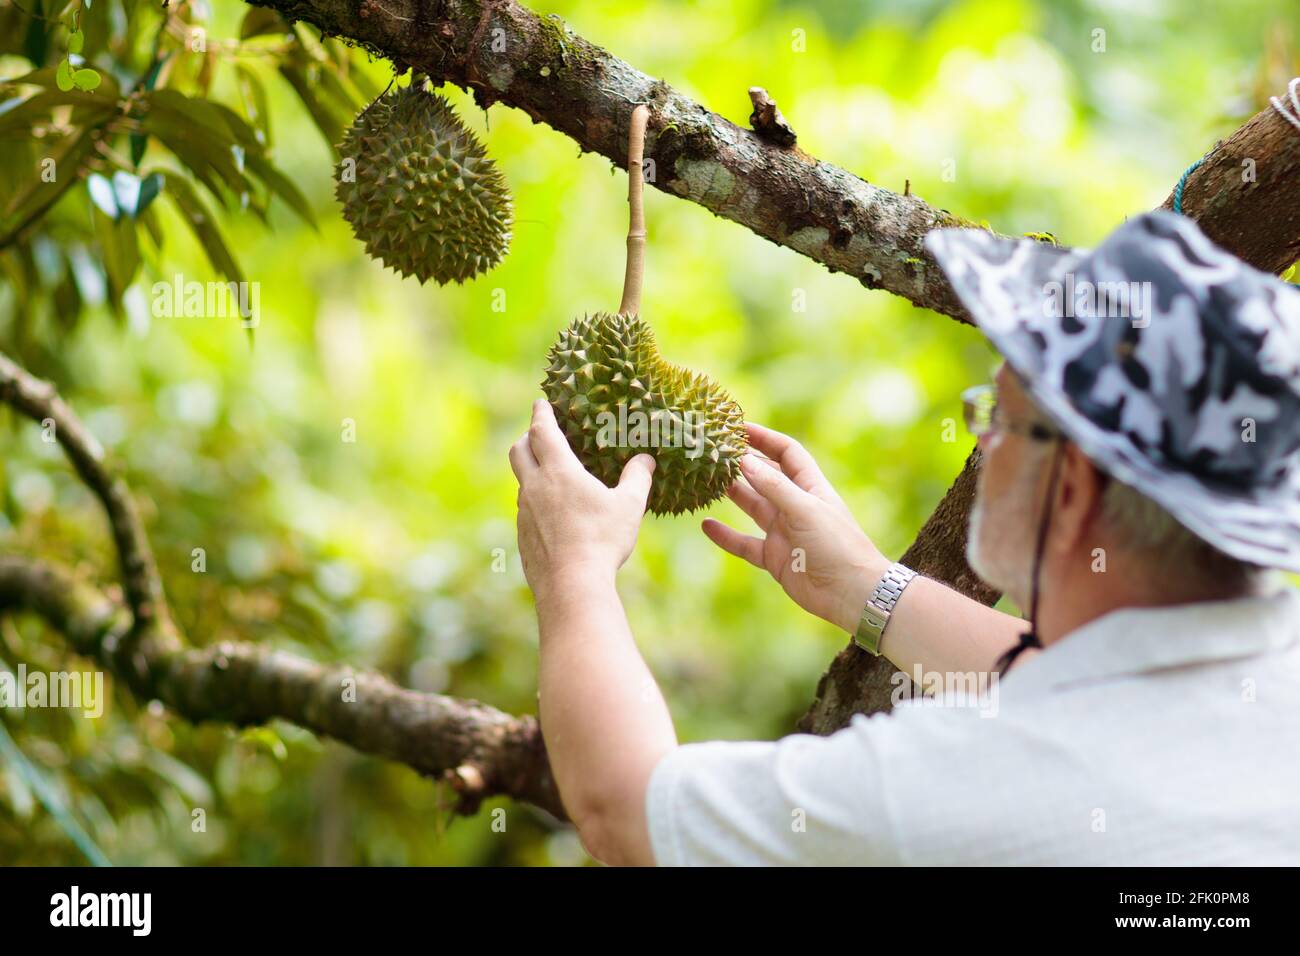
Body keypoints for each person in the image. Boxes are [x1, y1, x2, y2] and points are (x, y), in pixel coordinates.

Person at [508, 211, 1300, 865]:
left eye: (1000, 419)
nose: (983, 445)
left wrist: (573, 572)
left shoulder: (965, 784)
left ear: (1073, 488)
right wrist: (865, 584)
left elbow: (627, 813)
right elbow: (1109, 694)